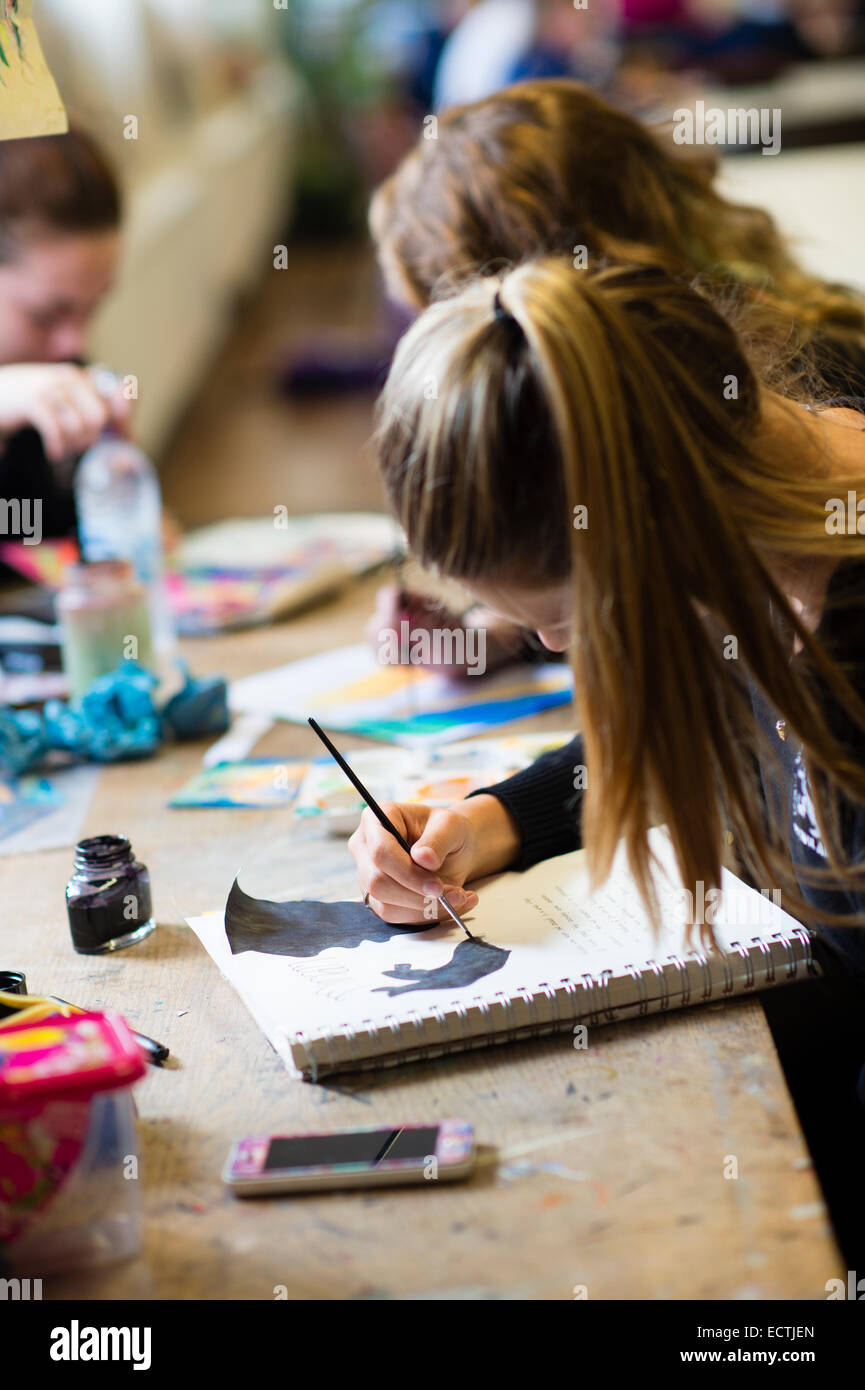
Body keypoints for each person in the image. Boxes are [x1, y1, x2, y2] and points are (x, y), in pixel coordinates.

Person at [351, 256, 865, 1262]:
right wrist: (496, 817)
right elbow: (702, 715)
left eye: (567, 618)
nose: (552, 648)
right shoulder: (741, 549)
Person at [365, 78, 865, 674]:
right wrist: (505, 624)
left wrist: (524, 616)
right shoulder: (720, 364)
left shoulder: (797, 385)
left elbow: (666, 595)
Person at [0, 125, 131, 557]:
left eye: (92, 307)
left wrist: (120, 512)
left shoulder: (60, 379)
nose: (74, 344)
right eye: (45, 315)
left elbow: (40, 539)